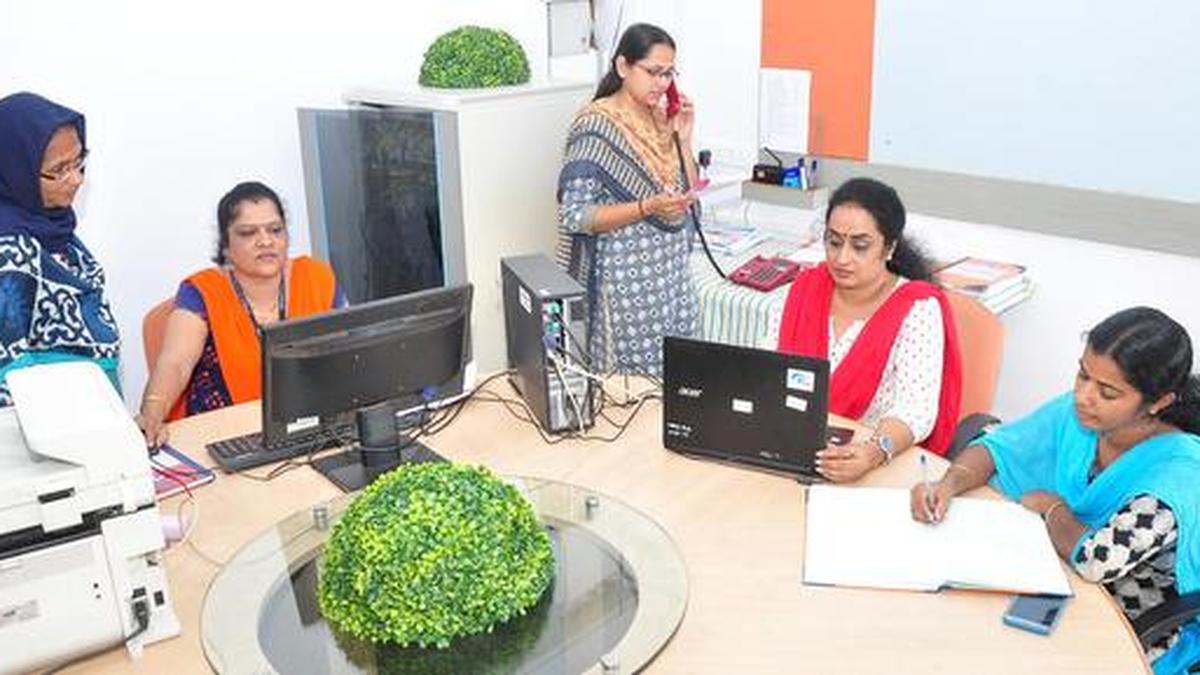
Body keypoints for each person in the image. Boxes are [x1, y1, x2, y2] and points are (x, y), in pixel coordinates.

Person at [912, 307, 1200, 672]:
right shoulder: (1077, 414)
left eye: (1107, 392)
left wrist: (1052, 509)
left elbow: (1098, 560)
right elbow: (997, 446)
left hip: (1131, 619)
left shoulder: (1180, 472)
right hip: (1050, 573)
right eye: (1082, 375)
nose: (1084, 396)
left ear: (1158, 403)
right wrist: (948, 483)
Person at [776, 177, 962, 482]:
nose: (842, 258)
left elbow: (917, 410)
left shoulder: (916, 308)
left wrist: (874, 451)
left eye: (859, 246)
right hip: (795, 449)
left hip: (876, 461)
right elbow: (766, 370)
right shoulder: (803, 290)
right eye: (833, 242)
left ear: (888, 248)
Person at [137, 181, 343, 445]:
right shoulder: (203, 291)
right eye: (248, 233)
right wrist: (153, 409)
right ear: (225, 243)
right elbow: (176, 362)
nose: (266, 241)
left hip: (313, 433)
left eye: (275, 230)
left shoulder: (317, 278)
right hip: (226, 441)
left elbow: (350, 350)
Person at [556, 22, 699, 377]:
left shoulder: (661, 119)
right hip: (629, 290)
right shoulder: (596, 126)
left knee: (684, 384)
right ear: (623, 67)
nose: (662, 84)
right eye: (653, 72)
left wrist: (683, 139)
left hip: (673, 281)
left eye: (669, 74)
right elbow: (575, 215)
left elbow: (689, 193)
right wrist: (645, 207)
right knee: (636, 397)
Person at [0, 92, 120, 406]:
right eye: (59, 169)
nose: (77, 179)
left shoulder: (53, 227)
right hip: (42, 440)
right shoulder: (9, 250)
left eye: (79, 162)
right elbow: (9, 378)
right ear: (16, 170)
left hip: (89, 421)